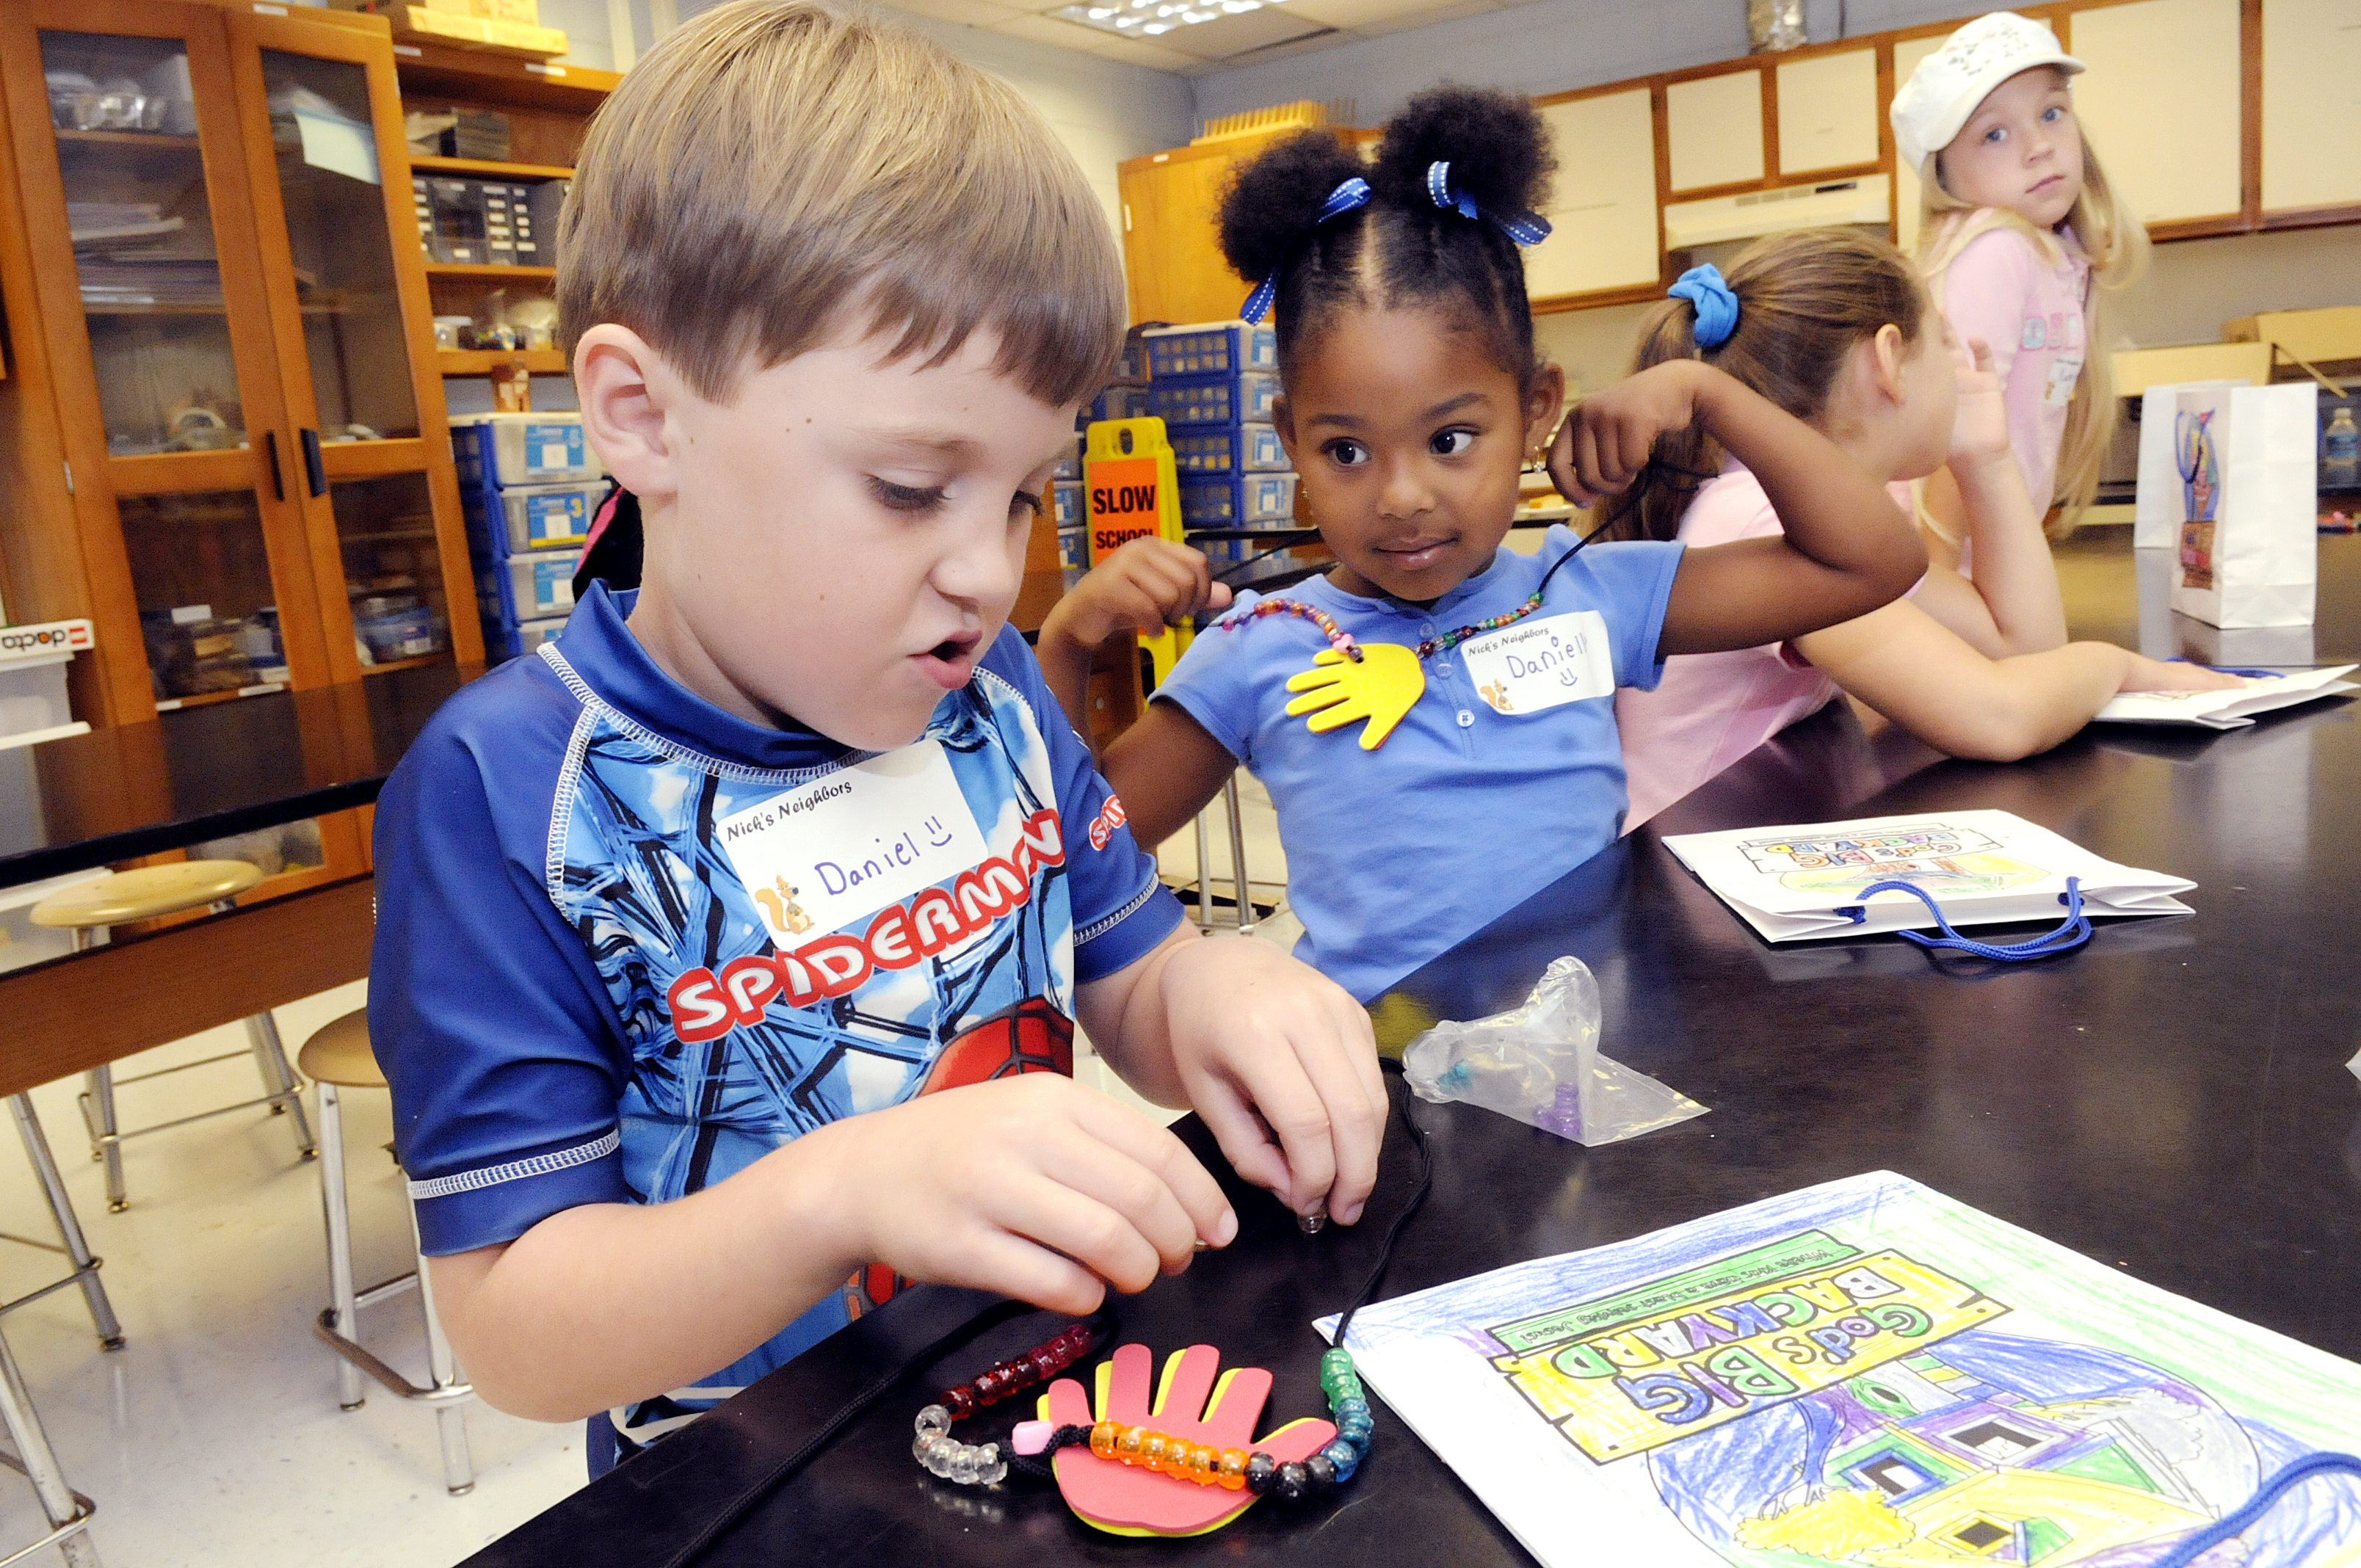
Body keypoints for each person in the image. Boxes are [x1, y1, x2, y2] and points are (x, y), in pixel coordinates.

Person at [368, 0, 1385, 1476]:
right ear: (642, 416)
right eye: (913, 487)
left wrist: (1222, 996)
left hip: (1042, 1429)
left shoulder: (990, 696)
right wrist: (835, 1196)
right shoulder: (507, 794)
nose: (988, 570)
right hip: (760, 1497)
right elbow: (519, 1329)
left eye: (1026, 492)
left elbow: (1136, 982)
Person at [1035, 88, 1926, 1006]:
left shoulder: (1588, 590)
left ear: (1537, 407)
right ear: (1289, 437)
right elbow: (1071, 864)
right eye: (1346, 450)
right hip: (1390, 1090)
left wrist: (1713, 397)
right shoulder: (1258, 647)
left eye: (1451, 439)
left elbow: (1872, 564)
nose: (1404, 497)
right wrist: (1066, 642)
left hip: (1601, 1058)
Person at [1609, 232, 2242, 829]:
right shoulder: (1766, 517)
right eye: (1943, 342)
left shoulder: (1830, 518)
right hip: (1678, 900)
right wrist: (2119, 666)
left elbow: (2020, 647)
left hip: (1729, 860)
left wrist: (1986, 461)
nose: (1960, 364)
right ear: (1889, 361)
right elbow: (1998, 716)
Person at [1893, 10, 2148, 553]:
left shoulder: (2050, 255)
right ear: (1945, 175)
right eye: (1996, 133)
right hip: (1949, 566)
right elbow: (1957, 433)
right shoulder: (1997, 251)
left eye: (2052, 112)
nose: (2038, 145)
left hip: (1981, 563)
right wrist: (1940, 591)